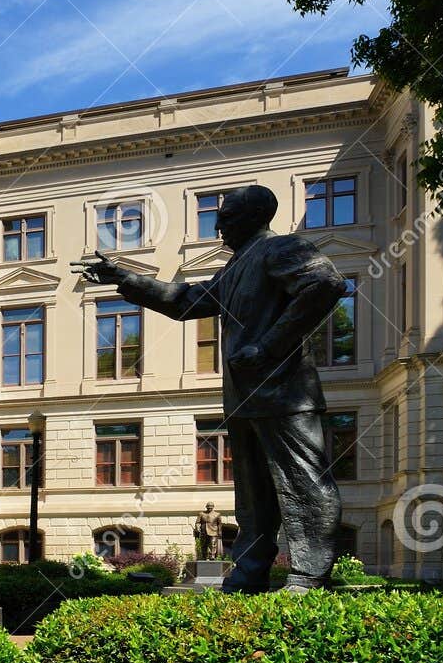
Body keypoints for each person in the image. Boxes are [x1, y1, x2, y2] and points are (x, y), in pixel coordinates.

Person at [74, 184, 345, 591]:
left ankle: (308, 575)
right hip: (243, 398)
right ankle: (250, 572)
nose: (218, 224)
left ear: (255, 217)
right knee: (252, 499)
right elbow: (184, 301)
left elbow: (326, 284)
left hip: (285, 393)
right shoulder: (235, 268)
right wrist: (124, 278)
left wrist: (269, 346)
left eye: (227, 215)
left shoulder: (281, 249)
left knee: (304, 482)